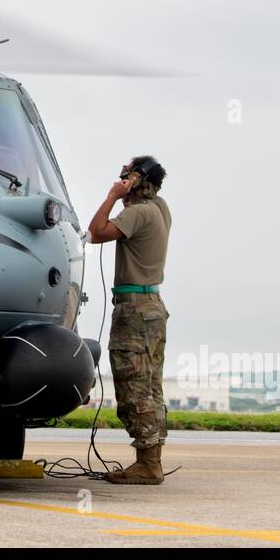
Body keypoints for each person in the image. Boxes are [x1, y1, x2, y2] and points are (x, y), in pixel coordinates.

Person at [86, 155, 172, 485]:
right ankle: (152, 458)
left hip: (134, 307)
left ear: (136, 180)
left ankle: (148, 464)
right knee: (150, 384)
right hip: (152, 305)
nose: (121, 177)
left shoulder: (137, 212)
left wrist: (111, 196)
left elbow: (95, 232)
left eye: (127, 175)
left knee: (132, 383)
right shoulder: (160, 208)